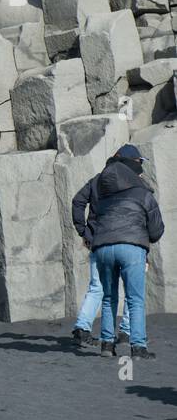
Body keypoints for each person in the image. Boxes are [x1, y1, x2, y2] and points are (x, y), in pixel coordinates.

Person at [71, 144, 165, 359]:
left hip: (102, 246)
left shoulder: (103, 194)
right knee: (135, 299)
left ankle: (107, 345)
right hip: (131, 247)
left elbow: (83, 206)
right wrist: (147, 239)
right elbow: (156, 228)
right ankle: (138, 347)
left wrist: (84, 233)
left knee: (107, 297)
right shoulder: (143, 192)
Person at [70, 262, 129, 348]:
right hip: (129, 251)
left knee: (96, 289)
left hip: (99, 251)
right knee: (131, 291)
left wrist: (92, 248)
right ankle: (125, 333)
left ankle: (82, 329)